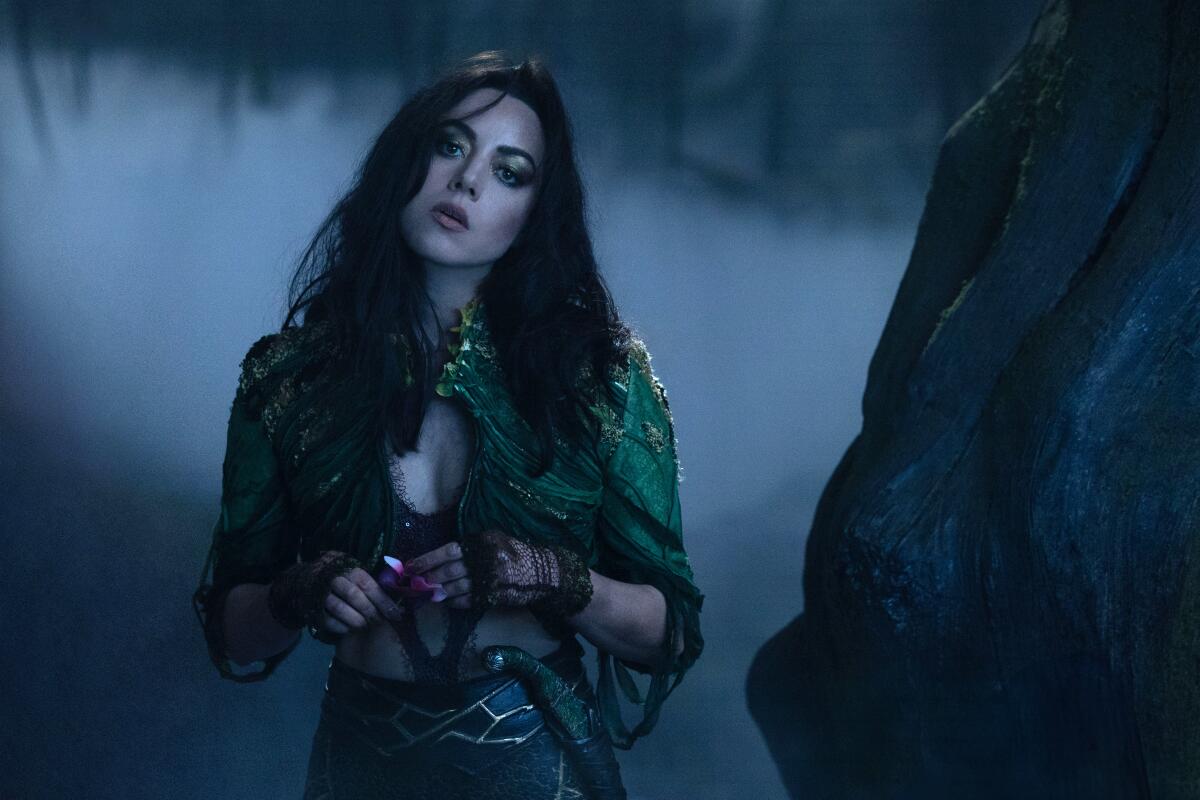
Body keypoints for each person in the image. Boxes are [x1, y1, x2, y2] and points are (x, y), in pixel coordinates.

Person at [192, 51, 703, 799]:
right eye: (450, 145)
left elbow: (669, 635)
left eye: (509, 172)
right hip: (358, 767)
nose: (467, 181)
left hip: (541, 769)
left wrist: (553, 578)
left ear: (535, 215)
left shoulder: (600, 378)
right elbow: (233, 629)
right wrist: (297, 593)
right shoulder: (288, 380)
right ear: (405, 160)